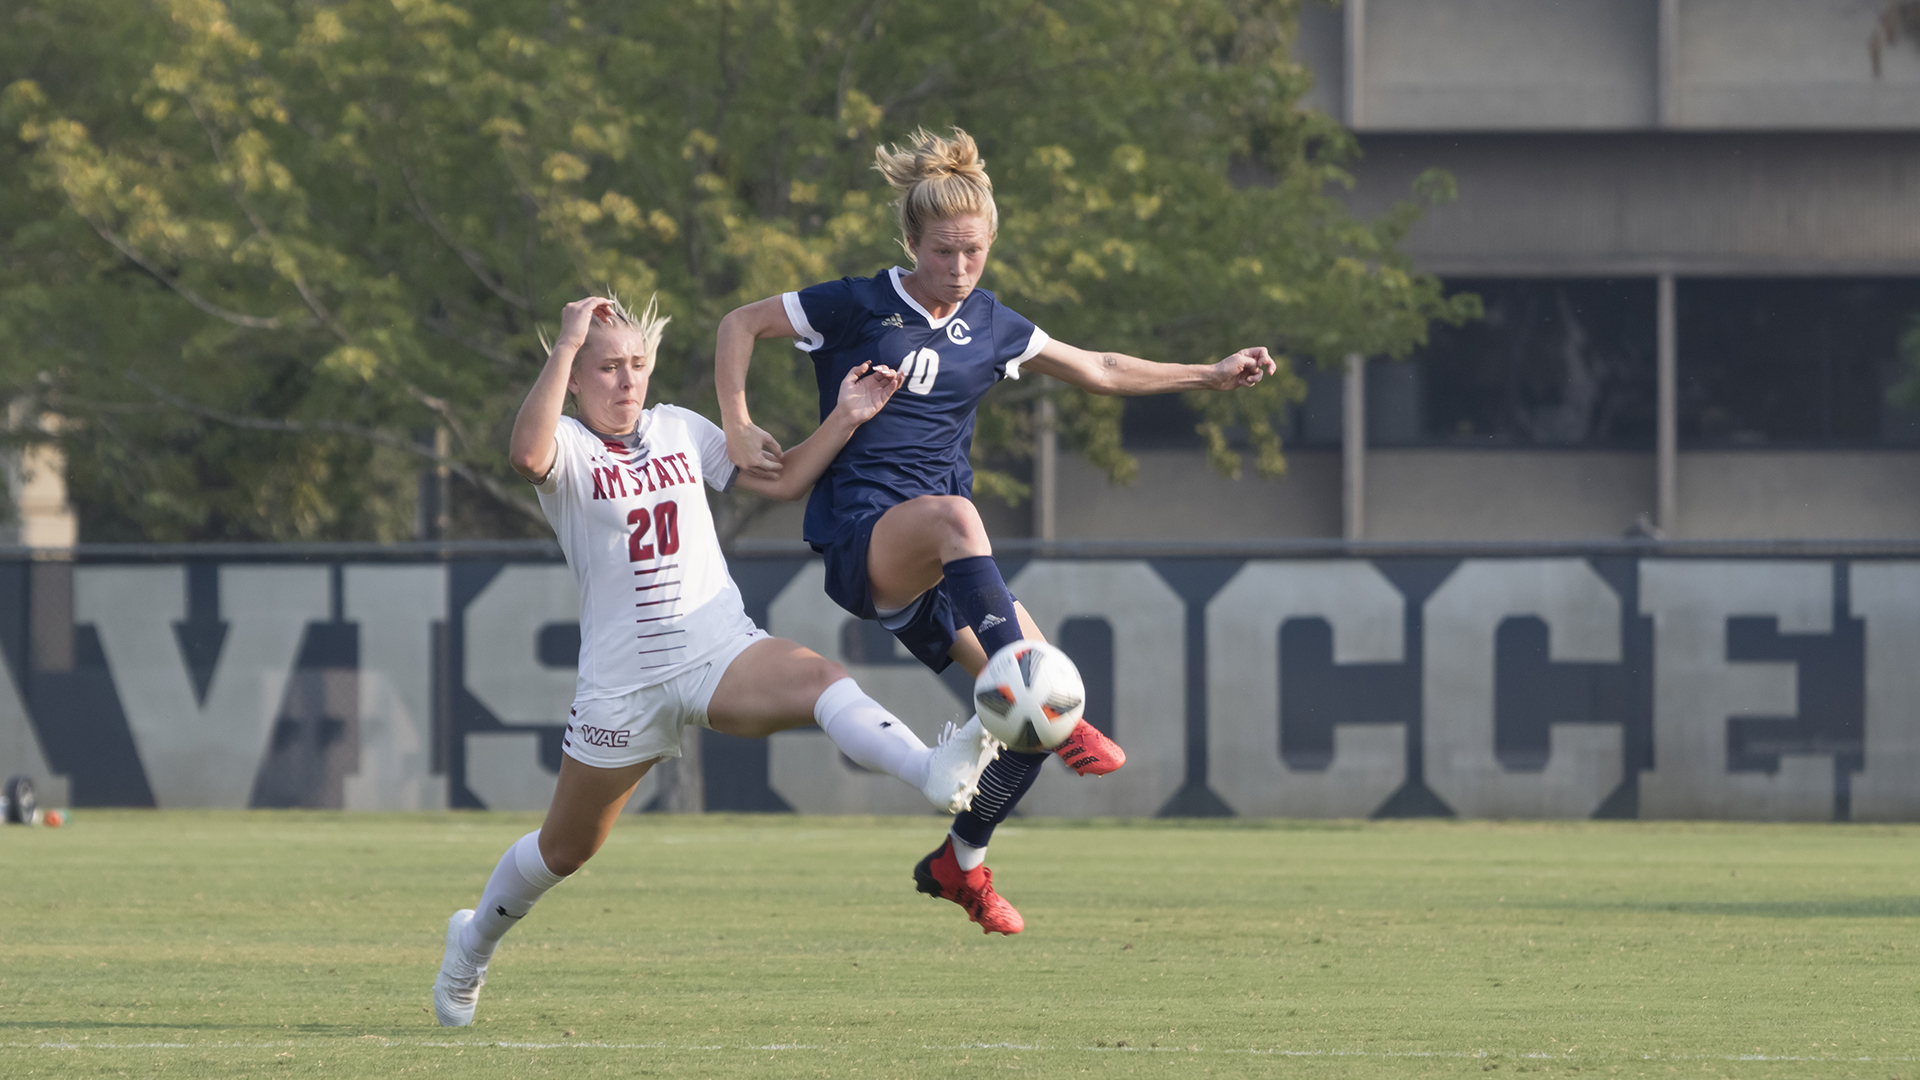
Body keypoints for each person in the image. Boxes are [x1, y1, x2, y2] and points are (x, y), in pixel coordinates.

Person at [713, 128, 1276, 935]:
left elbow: (1104, 369)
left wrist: (1210, 374)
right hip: (869, 537)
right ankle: (1057, 726)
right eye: (943, 251)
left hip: (948, 567)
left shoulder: (994, 324)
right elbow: (739, 324)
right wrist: (736, 421)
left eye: (973, 251)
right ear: (911, 242)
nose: (959, 267)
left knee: (1040, 710)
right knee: (960, 521)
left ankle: (961, 866)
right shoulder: (856, 304)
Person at [432, 294, 1002, 1027]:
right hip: (623, 685)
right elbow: (525, 456)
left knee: (822, 680)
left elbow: (785, 480)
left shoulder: (679, 428)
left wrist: (848, 416)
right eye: (606, 367)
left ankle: (931, 769)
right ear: (576, 377)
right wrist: (567, 340)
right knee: (564, 851)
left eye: (637, 364)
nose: (625, 380)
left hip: (716, 649)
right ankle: (471, 945)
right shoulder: (567, 443)